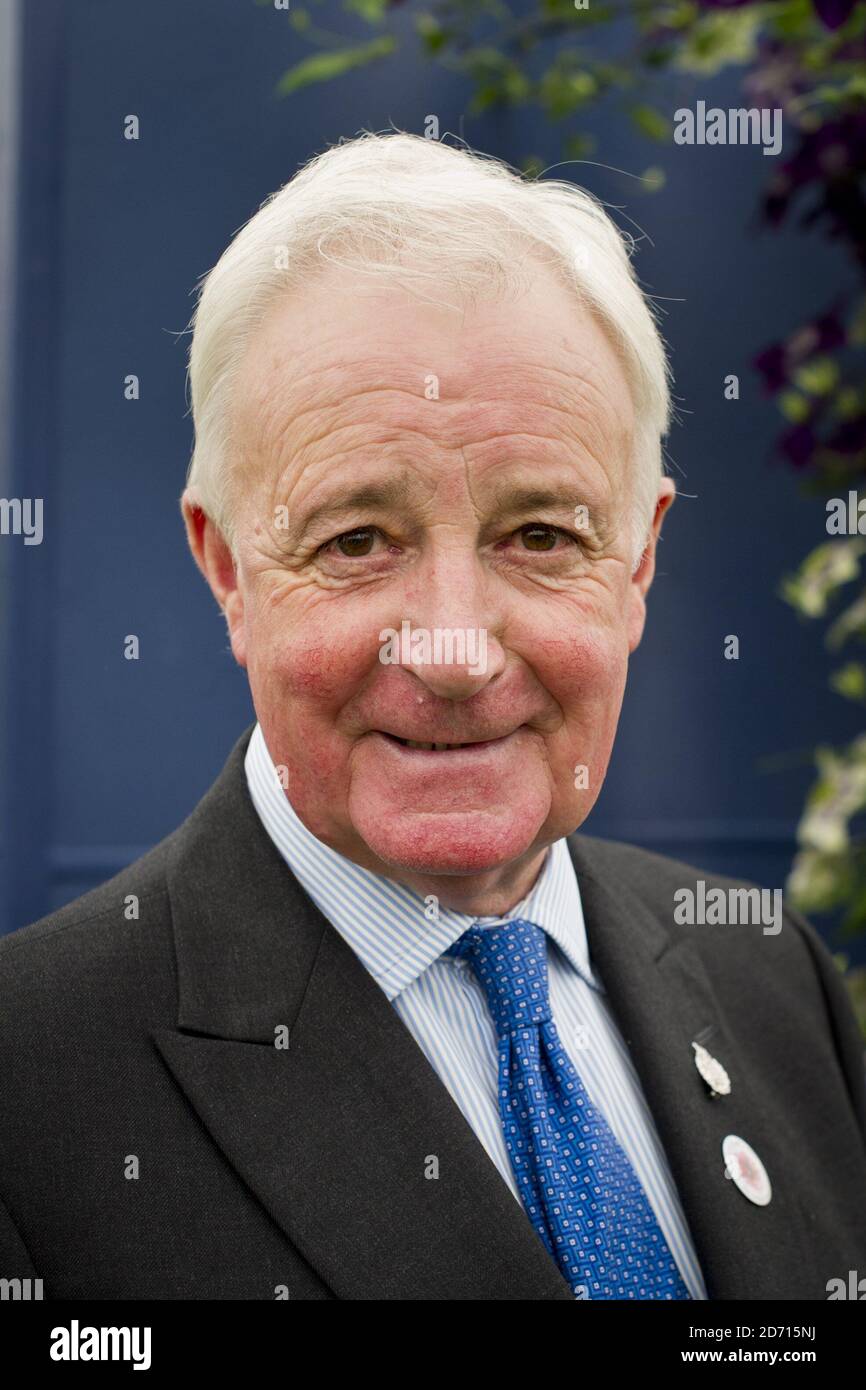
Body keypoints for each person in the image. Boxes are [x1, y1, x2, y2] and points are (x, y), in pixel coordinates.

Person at [1, 132, 864, 1301]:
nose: (454, 650)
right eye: (357, 541)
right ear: (227, 571)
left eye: (541, 536)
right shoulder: (31, 1086)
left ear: (639, 563)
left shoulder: (773, 981)